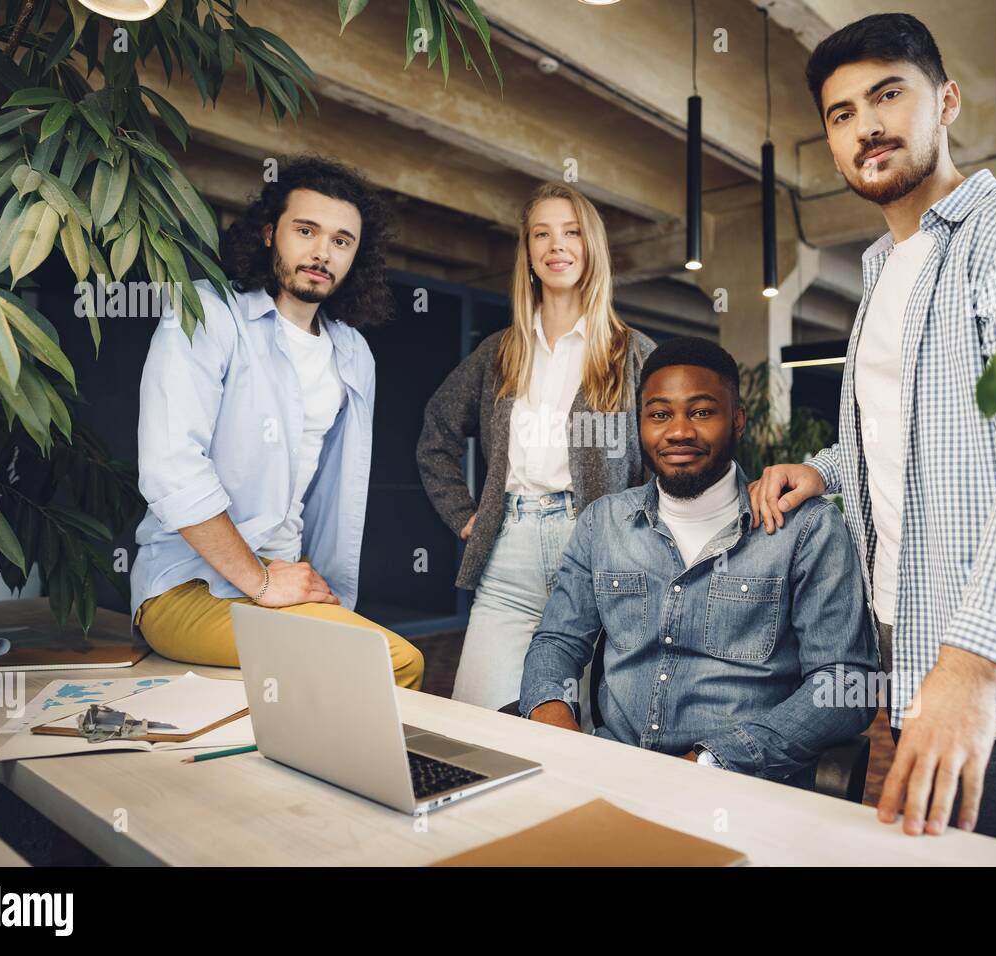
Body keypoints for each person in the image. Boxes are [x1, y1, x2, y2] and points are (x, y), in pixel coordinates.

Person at [749, 14, 996, 854]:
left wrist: (971, 667)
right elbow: (906, 446)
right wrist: (825, 470)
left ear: (947, 101)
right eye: (842, 114)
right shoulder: (884, 268)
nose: (867, 127)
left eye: (888, 95)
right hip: (910, 633)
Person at [519, 337, 875, 785]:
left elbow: (843, 686)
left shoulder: (806, 529)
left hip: (741, 787)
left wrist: (710, 763)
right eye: (660, 414)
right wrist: (557, 728)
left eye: (702, 412)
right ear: (641, 424)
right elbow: (558, 640)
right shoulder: (603, 523)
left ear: (738, 421)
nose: (679, 431)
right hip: (611, 775)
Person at [131, 156, 424, 688]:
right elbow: (169, 468)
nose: (321, 252)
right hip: (188, 587)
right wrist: (260, 581)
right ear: (270, 233)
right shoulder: (208, 312)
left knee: (337, 688)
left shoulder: (352, 352)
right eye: (305, 230)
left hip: (285, 577)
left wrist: (306, 583)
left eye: (342, 241)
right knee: (395, 665)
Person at [417, 183, 656, 716]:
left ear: (591, 247)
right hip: (510, 552)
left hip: (596, 553)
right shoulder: (499, 353)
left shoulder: (632, 354)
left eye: (571, 232)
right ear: (527, 253)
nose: (557, 245)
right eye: (541, 234)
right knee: (477, 720)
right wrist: (463, 514)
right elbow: (436, 434)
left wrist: (639, 541)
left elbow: (661, 463)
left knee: (586, 725)